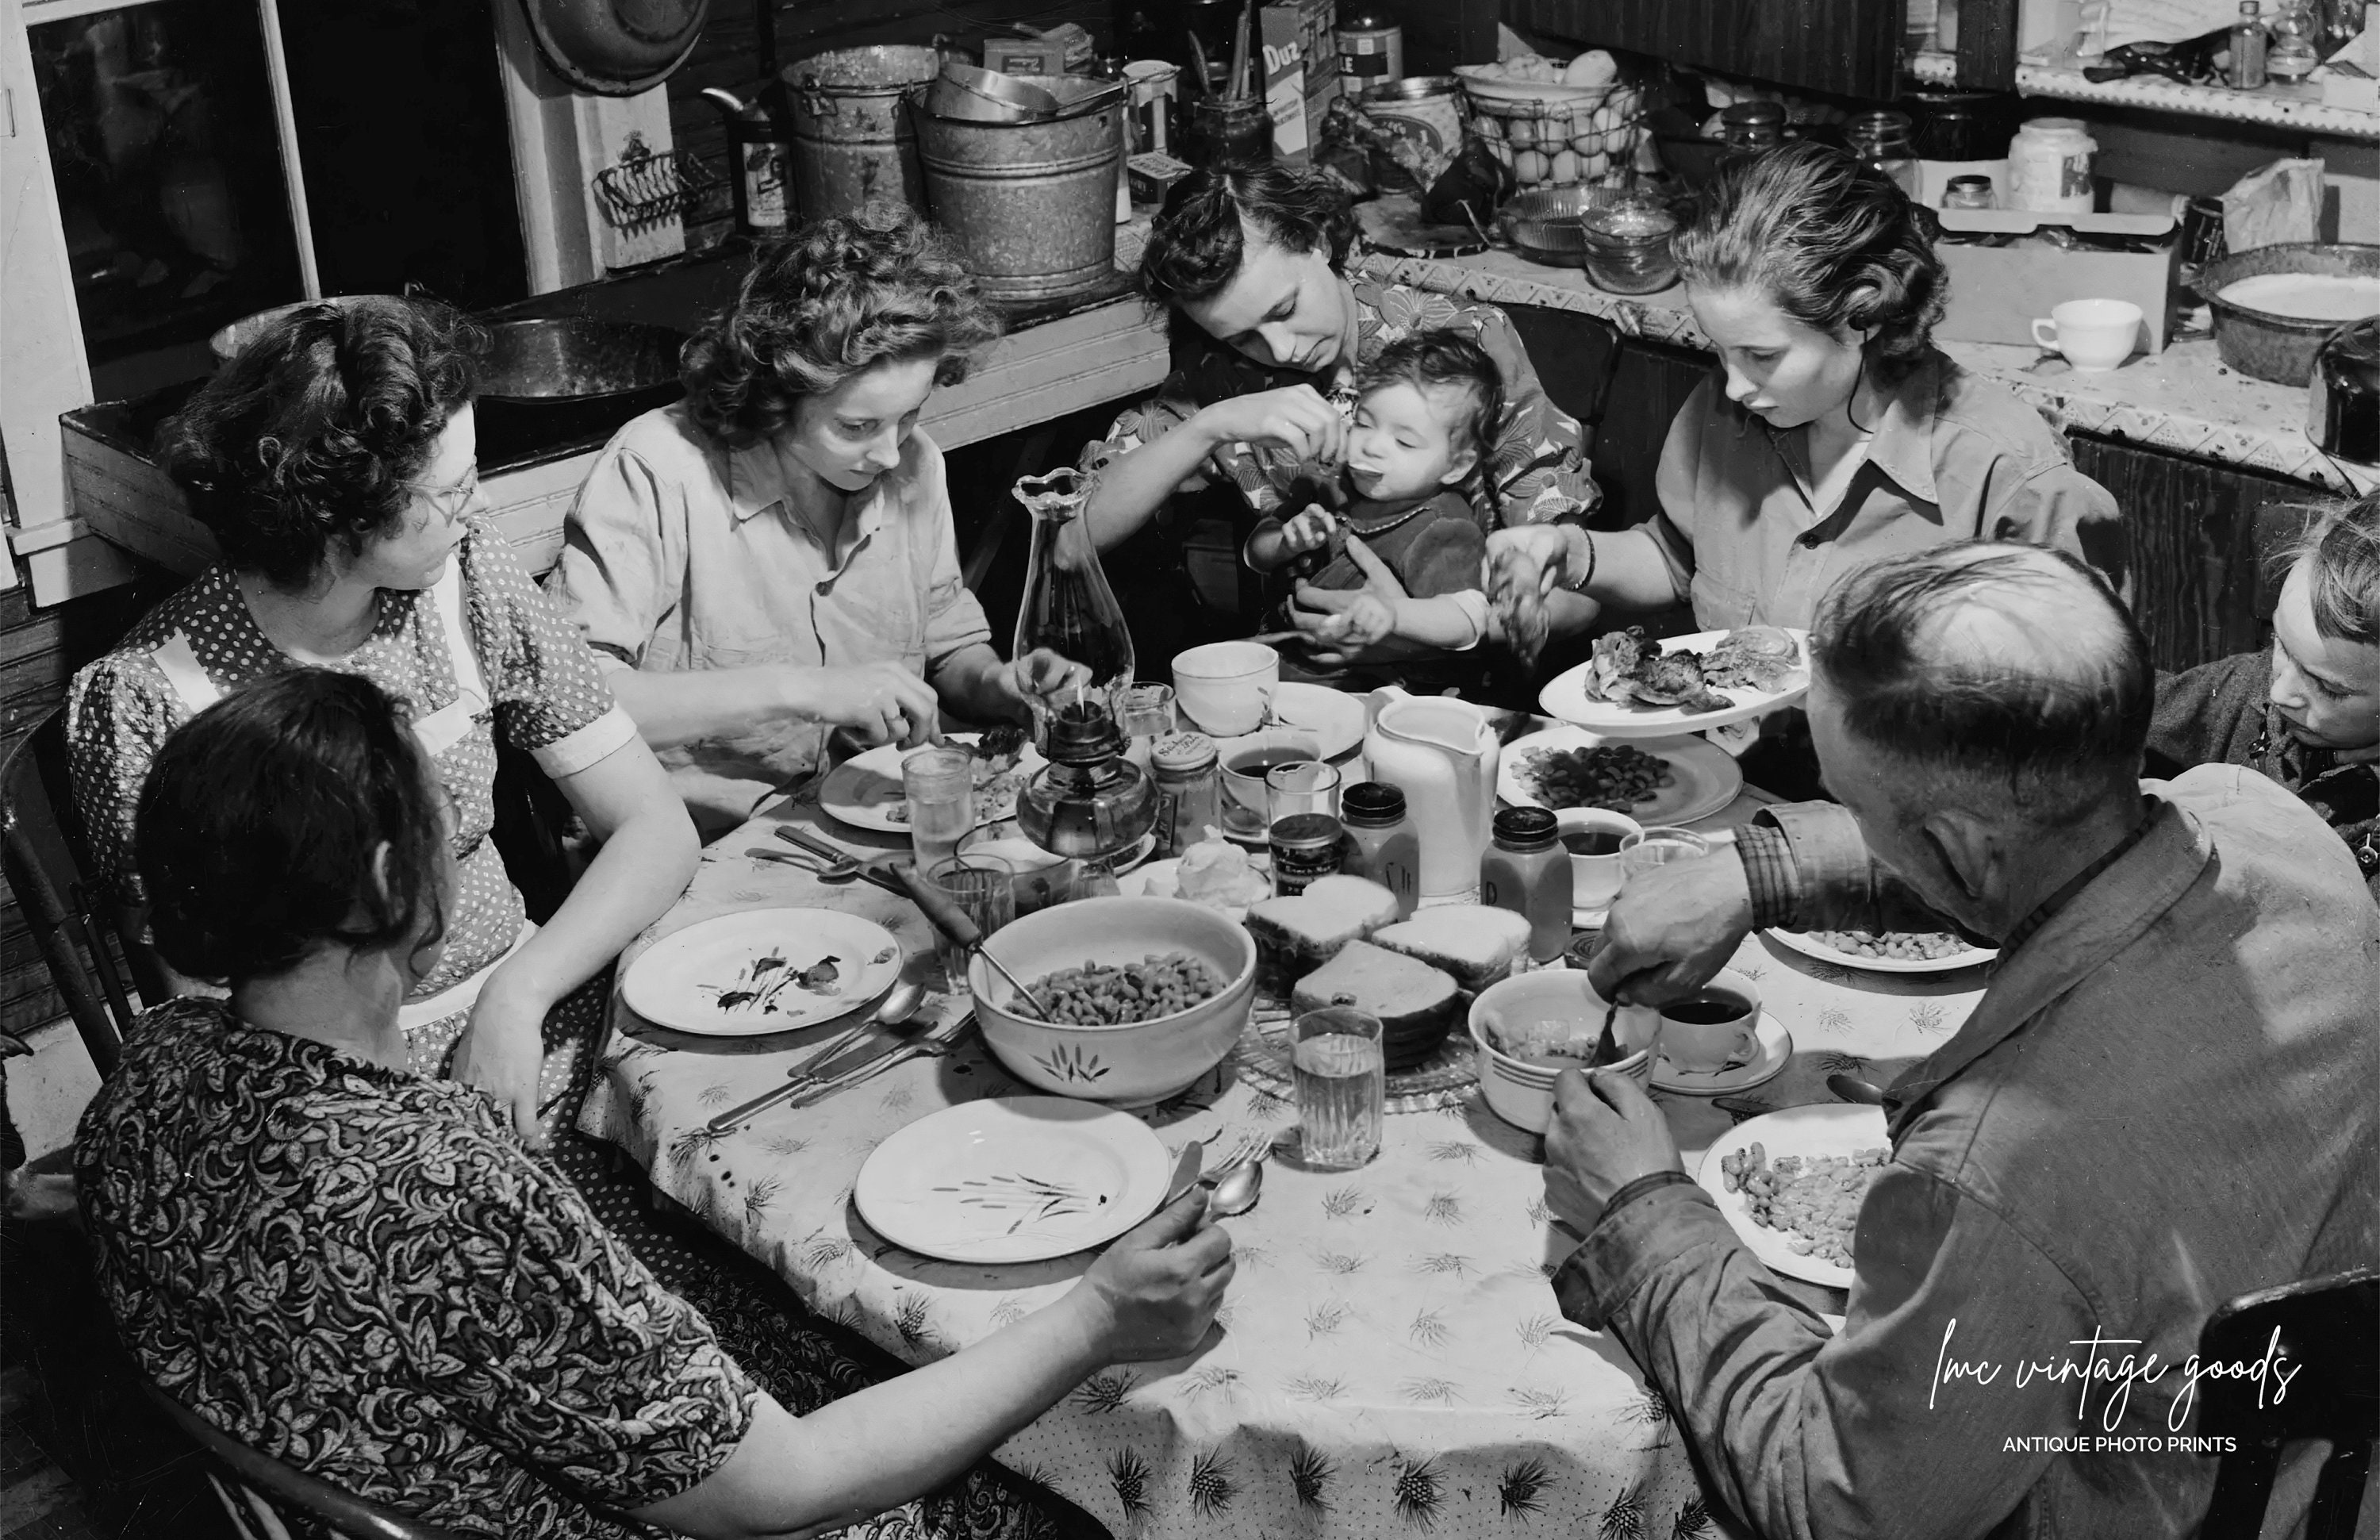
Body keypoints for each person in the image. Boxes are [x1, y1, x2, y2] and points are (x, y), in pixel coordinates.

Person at [76, 669, 1233, 1538]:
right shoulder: (439, 1193)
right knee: (1071, 1489)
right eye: (444, 821)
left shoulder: (151, 1069)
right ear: (390, 883)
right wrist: (1096, 1322)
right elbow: (783, 1490)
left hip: (394, 1452)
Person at [1544, 543, 2379, 1538]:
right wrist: (1766, 875)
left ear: (1954, 848)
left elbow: (1838, 1502)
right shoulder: (2279, 827)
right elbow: (2083, 842)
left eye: (1856, 810)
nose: (1854, 829)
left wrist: (1646, 1217)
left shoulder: (1995, 1169)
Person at [67, 294, 697, 1146]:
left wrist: (520, 995)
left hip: (535, 1012)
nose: (474, 508)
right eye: (452, 490)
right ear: (342, 511)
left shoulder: (464, 576)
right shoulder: (151, 694)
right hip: (331, 1114)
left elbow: (656, 829)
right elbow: (205, 1015)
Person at [547, 207, 1092, 838]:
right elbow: (576, 702)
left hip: (867, 829)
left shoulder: (915, 464)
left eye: (910, 415)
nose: (891, 452)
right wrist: (803, 689)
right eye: (856, 427)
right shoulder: (658, 471)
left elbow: (946, 646)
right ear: (773, 397)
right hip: (696, 853)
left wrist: (1002, 685)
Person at [1486, 144, 2124, 645]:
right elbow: (1679, 556)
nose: (1733, 384)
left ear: (1864, 312)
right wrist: (1569, 552)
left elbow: (2074, 711)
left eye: (1763, 355)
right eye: (1719, 349)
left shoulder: (2007, 471)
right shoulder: (1723, 412)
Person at [1078, 163, 1601, 660]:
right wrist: (1211, 425)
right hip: (1306, 682)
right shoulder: (1222, 379)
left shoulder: (1465, 345)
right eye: (1243, 337)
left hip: (1463, 679)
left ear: (1318, 241)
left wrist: (1419, 627)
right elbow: (1069, 539)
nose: (1282, 350)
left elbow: (1579, 596)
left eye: (1284, 310)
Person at [2147, 492, 2380, 897]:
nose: (2280, 691)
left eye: (2326, 687)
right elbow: (2139, 710)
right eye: (2280, 644)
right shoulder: (2249, 687)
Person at [1242, 330, 1500, 682]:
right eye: (1363, 424)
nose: (1372, 446)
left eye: (1405, 442)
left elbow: (1468, 618)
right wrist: (1285, 541)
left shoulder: (1442, 528)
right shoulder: (1327, 484)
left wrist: (1393, 614)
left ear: (1456, 466)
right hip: (1275, 659)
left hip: (1367, 684)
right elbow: (1256, 554)